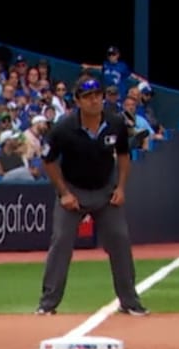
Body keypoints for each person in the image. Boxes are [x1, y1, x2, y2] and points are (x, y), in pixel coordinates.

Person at [36, 78, 149, 317]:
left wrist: (121, 188)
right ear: (77, 101)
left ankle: (129, 302)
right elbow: (48, 161)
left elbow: (124, 155)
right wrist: (64, 193)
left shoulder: (115, 122)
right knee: (61, 242)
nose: (94, 99)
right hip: (74, 190)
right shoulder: (64, 127)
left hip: (105, 189)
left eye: (97, 94)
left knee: (119, 239)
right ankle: (47, 304)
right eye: (88, 96)